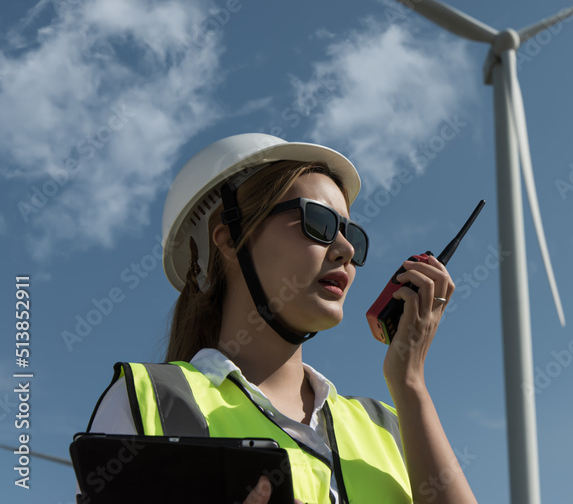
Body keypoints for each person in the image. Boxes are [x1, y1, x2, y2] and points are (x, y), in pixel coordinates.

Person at [79, 133, 478, 504]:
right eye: (318, 223)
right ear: (230, 240)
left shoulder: (390, 427)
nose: (344, 250)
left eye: (351, 236)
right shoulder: (149, 400)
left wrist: (410, 383)